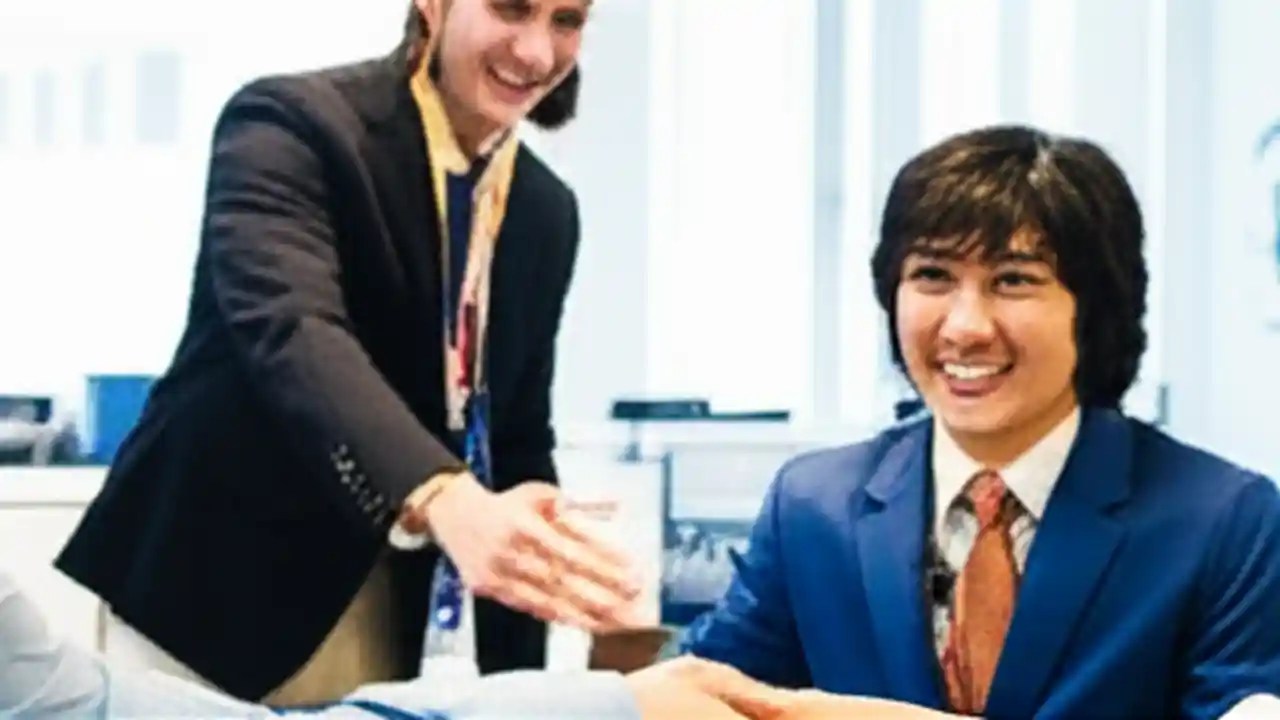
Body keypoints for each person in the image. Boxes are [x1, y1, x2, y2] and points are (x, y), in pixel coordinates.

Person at [54, 0, 640, 705]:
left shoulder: (545, 210)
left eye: (567, 21)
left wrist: (540, 625)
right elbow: (292, 330)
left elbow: (515, 431)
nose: (538, 53)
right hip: (216, 589)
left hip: (389, 608)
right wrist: (444, 495)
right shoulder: (291, 124)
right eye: (510, 8)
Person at [680, 125, 1280, 718]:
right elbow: (708, 695)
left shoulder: (1222, 520)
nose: (965, 327)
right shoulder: (814, 507)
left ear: (1097, 305)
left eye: (1013, 281)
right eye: (933, 276)